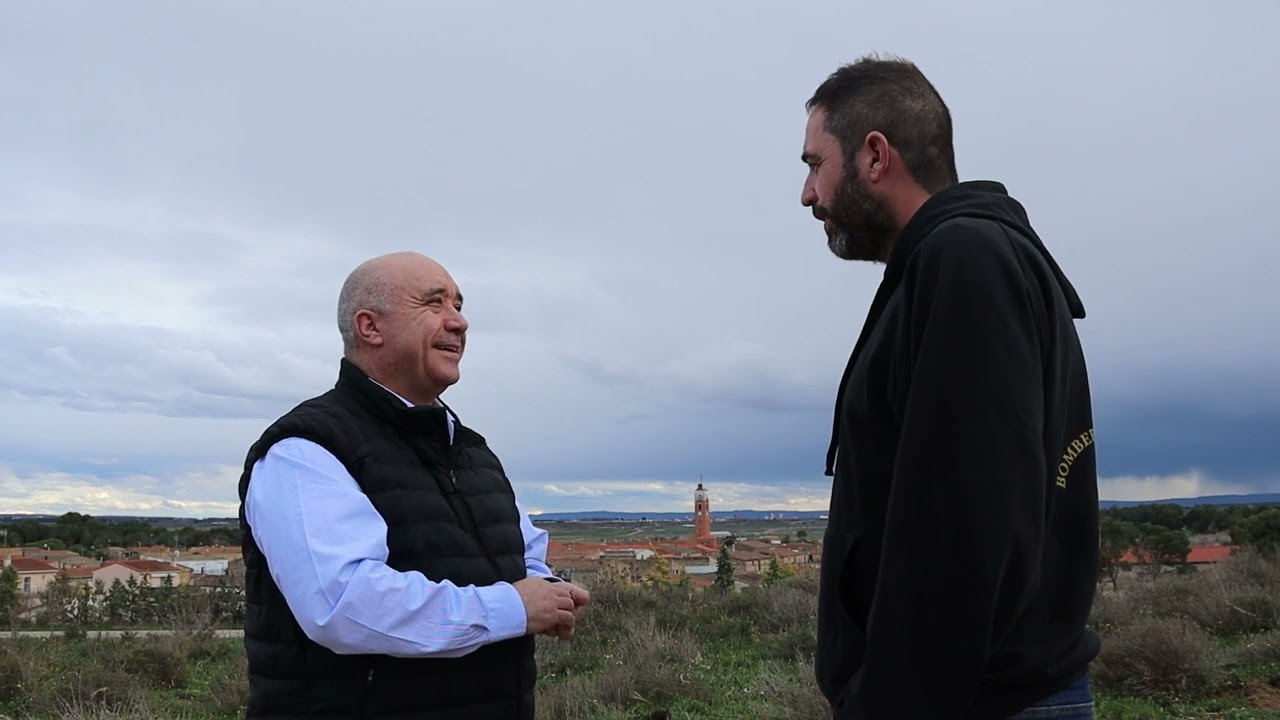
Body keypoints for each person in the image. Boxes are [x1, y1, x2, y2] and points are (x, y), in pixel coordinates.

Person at [799, 55, 1101, 719]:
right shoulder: (953, 263)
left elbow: (966, 522)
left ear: (875, 156)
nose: (808, 195)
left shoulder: (966, 260)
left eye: (814, 164)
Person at [237, 251, 590, 719]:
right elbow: (342, 605)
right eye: (434, 303)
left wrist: (546, 588)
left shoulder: (471, 450)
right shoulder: (304, 449)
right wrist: (511, 607)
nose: (458, 322)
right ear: (370, 327)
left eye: (459, 306)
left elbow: (522, 548)